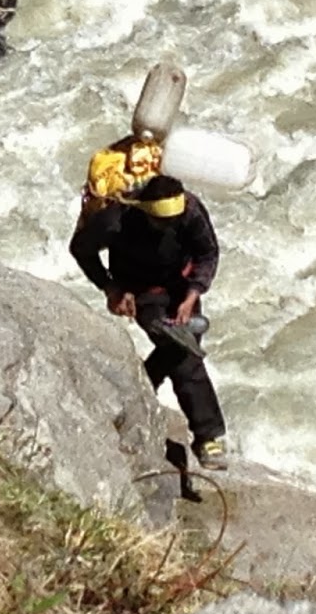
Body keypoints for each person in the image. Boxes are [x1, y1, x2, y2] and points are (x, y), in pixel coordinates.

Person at [69, 174, 229, 471]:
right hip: (141, 291)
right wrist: (110, 288)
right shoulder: (115, 219)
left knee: (180, 350)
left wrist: (193, 294)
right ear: (144, 213)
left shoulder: (189, 210)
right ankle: (208, 437)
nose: (170, 227)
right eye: (162, 223)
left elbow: (207, 253)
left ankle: (141, 384)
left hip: (182, 288)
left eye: (173, 221)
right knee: (184, 356)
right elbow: (82, 249)